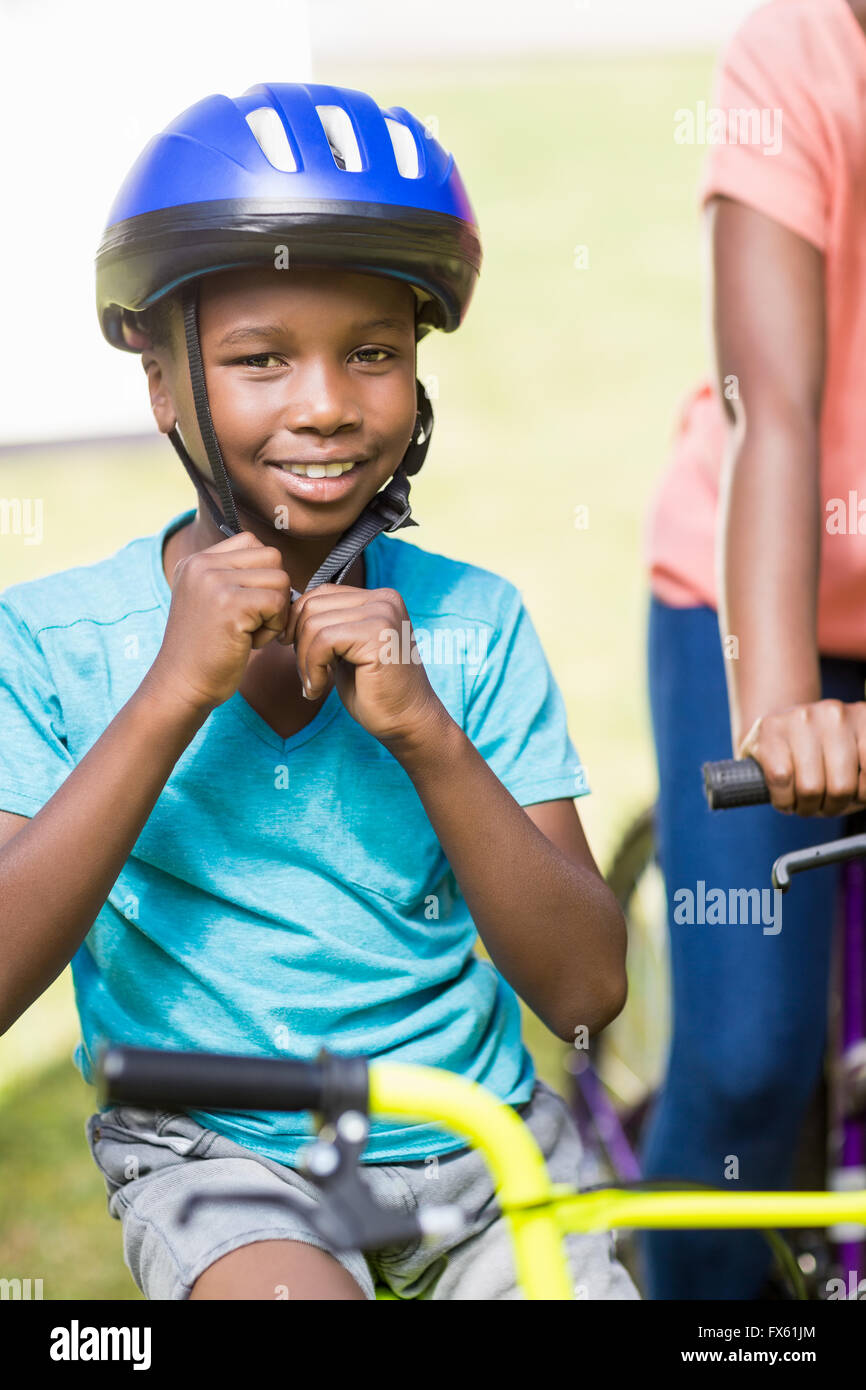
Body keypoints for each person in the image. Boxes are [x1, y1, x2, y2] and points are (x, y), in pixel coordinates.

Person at [0, 81, 638, 1301]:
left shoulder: (473, 624)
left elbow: (583, 990)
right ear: (161, 381)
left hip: (475, 1142)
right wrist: (167, 698)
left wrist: (427, 736)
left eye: (373, 354)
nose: (328, 405)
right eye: (259, 359)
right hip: (221, 1152)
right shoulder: (52, 643)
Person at [643, 0, 866, 1299]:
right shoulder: (797, 48)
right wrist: (778, 703)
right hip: (762, 601)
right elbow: (767, 409)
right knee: (743, 1061)